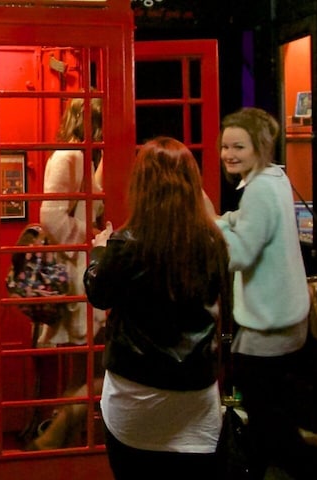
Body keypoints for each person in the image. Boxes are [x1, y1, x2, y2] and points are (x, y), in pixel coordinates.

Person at [85, 137, 234, 477]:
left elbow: (99, 294)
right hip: (196, 394)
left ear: (141, 185)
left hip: (133, 396)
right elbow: (221, 304)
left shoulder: (124, 242)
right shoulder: (213, 242)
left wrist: (100, 251)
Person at [214, 107, 314, 479]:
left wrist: (214, 228)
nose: (229, 154)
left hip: (267, 324)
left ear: (260, 146)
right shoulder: (275, 179)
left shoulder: (256, 190)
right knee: (270, 412)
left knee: (268, 416)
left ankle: (302, 470)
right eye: (225, 146)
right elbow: (257, 223)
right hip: (287, 316)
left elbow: (239, 255)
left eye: (238, 146)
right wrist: (225, 219)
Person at [23, 97, 106, 451]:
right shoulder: (70, 156)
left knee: (87, 365)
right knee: (88, 364)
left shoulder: (85, 155)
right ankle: (59, 435)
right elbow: (52, 215)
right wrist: (88, 238)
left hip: (85, 268)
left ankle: (66, 435)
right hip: (75, 273)